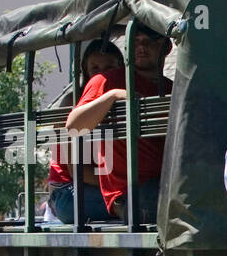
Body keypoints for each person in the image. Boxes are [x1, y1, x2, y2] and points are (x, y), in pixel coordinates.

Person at [64, 24, 173, 223]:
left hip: (167, 183)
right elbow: (74, 126)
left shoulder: (172, 88)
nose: (141, 46)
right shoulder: (108, 81)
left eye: (150, 40)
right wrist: (112, 96)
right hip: (131, 192)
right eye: (136, 41)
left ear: (167, 47)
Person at [48, 42, 126, 224]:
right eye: (95, 68)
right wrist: (123, 184)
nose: (102, 74)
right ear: (85, 71)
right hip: (69, 192)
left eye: (109, 67)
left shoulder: (121, 101)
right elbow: (79, 172)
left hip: (107, 185)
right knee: (141, 203)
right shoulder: (72, 102)